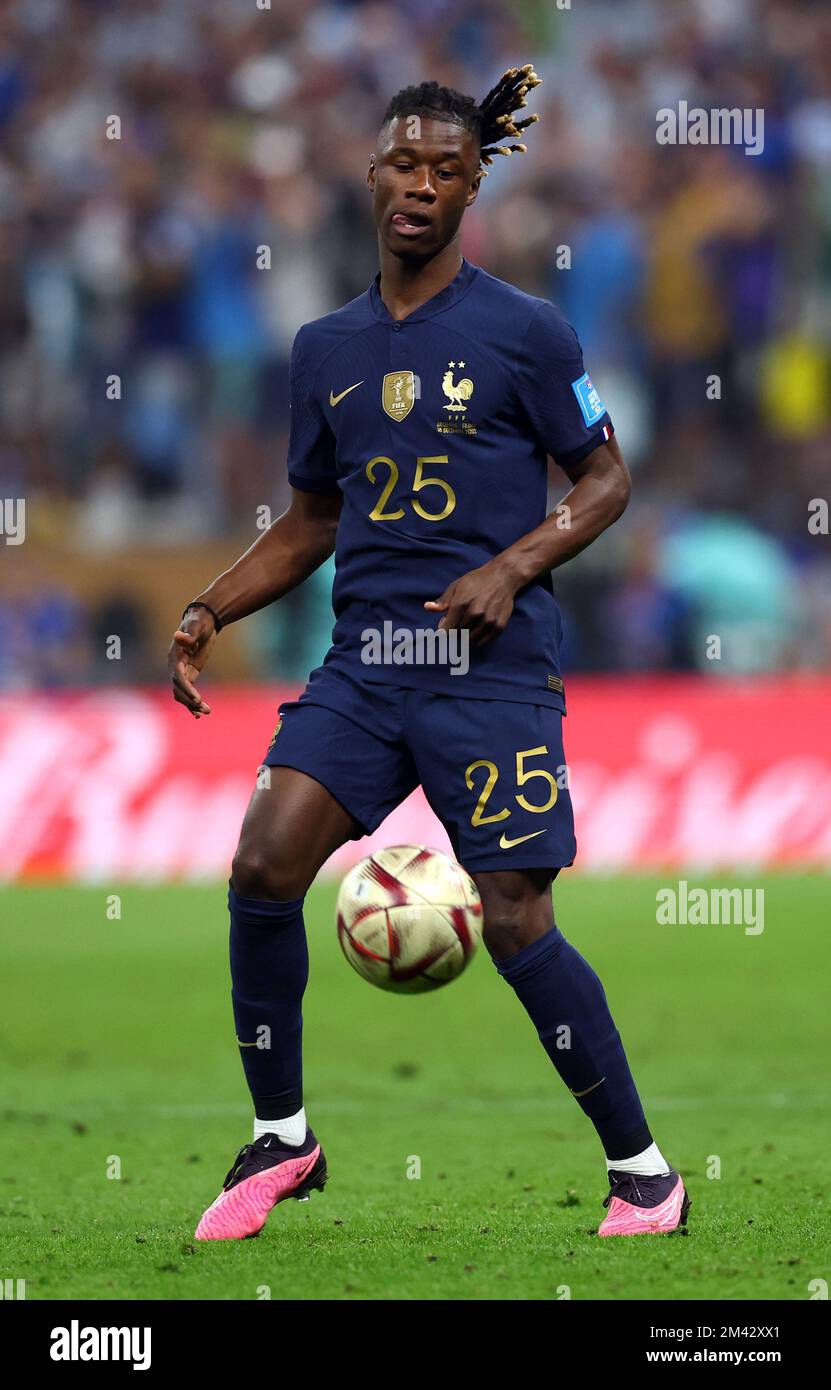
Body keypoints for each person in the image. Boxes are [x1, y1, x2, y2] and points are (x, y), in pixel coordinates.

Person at [168, 65, 689, 1241]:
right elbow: (310, 521)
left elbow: (605, 481)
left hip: (490, 669)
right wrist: (210, 609)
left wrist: (510, 565)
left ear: (469, 191)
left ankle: (647, 1174)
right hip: (366, 663)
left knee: (514, 917)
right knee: (261, 867)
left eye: (445, 171)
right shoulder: (324, 347)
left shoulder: (526, 330)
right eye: (403, 164)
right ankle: (283, 1140)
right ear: (371, 175)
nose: (420, 185)